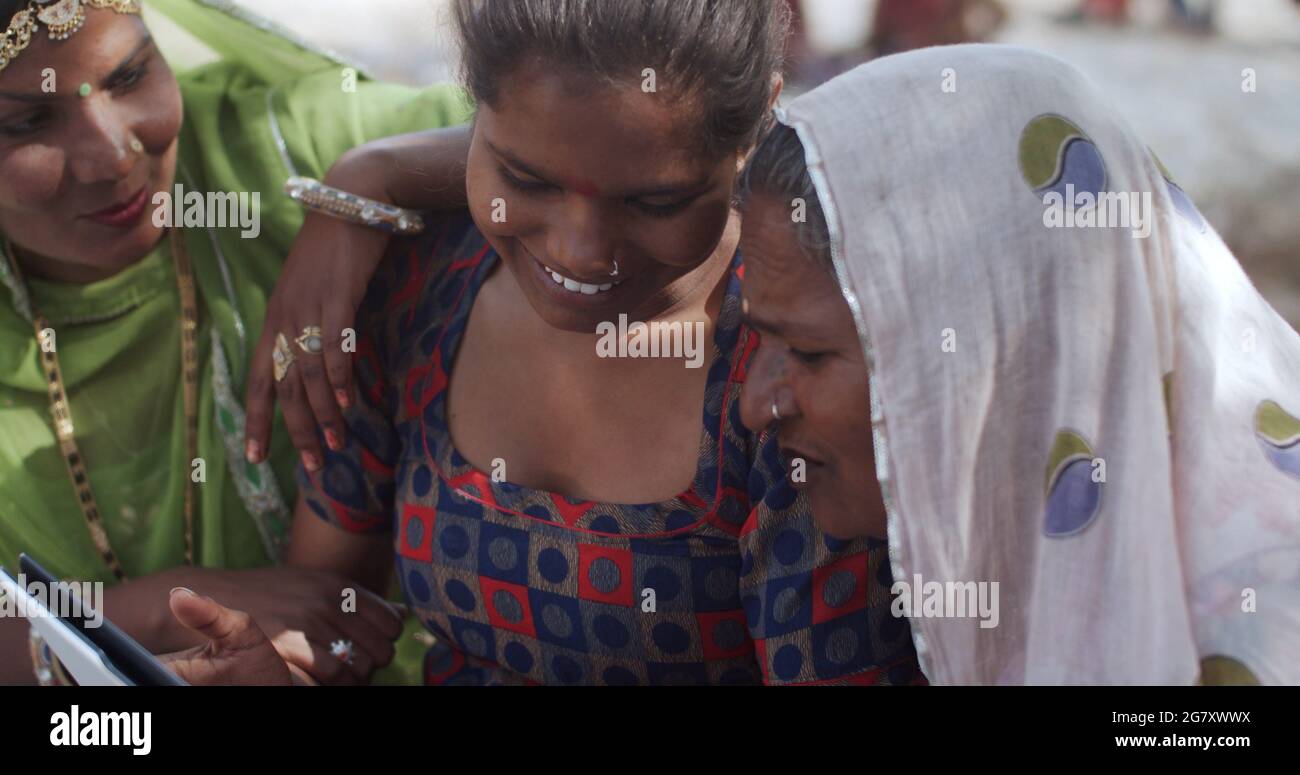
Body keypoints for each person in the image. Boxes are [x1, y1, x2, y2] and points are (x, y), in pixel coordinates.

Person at [190, 0, 924, 686]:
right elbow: (336, 612)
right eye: (524, 179)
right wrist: (287, 668)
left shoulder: (790, 377)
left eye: (655, 201)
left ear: (755, 122)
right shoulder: (417, 288)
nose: (581, 253)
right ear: (471, 109)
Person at [734, 45, 1300, 684]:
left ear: (994, 348)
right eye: (763, 344)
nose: (756, 407)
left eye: (808, 353)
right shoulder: (945, 574)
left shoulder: (1255, 646)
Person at [0, 0, 471, 685]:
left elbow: (587, 135)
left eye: (131, 75)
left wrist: (365, 182)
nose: (112, 154)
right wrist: (156, 610)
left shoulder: (281, 149)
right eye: (29, 121)